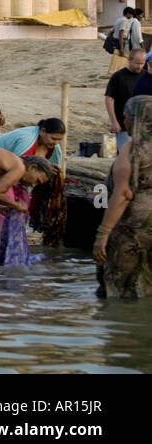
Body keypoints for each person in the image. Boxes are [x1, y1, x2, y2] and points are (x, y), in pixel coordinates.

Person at [94, 96, 152, 298]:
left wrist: (103, 235)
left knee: (120, 289)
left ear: (136, 119)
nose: (124, 121)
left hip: (132, 229)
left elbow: (124, 194)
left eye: (126, 116)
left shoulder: (132, 151)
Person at [0, 155, 59, 267]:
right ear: (32, 167)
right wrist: (16, 205)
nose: (33, 185)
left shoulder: (13, 165)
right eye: (37, 180)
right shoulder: (19, 168)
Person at [106, 47, 146, 152]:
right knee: (126, 155)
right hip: (123, 125)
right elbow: (109, 98)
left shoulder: (146, 77)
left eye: (142, 63)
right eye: (137, 63)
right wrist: (114, 122)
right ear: (129, 60)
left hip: (143, 126)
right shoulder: (118, 76)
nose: (140, 66)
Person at [0, 118, 66, 166]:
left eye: (60, 140)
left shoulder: (53, 147)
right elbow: (15, 164)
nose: (56, 143)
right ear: (43, 131)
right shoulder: (27, 139)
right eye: (53, 138)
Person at [109, 6, 140, 76]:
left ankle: (115, 71)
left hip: (116, 40)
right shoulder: (125, 20)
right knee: (126, 58)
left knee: (117, 58)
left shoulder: (118, 19)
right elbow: (121, 33)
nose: (132, 16)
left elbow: (111, 31)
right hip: (123, 41)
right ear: (128, 13)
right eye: (131, 14)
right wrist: (122, 47)